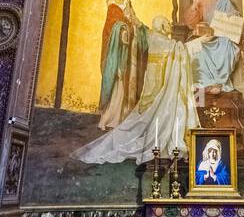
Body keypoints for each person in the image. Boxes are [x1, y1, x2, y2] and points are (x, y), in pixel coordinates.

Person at [76, 16, 197, 163]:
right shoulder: (163, 41)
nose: (169, 27)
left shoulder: (151, 37)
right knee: (158, 110)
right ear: (162, 27)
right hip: (158, 83)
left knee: (144, 113)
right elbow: (177, 48)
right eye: (167, 24)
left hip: (150, 81)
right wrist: (187, 46)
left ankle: (132, 133)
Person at [96, 0, 149, 130]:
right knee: (118, 81)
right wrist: (123, 30)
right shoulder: (116, 1)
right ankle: (111, 118)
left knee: (126, 82)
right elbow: (112, 24)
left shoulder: (128, 3)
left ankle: (122, 116)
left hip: (129, 50)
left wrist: (147, 32)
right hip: (119, 52)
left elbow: (136, 22)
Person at [184, 0, 240, 93]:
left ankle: (218, 83)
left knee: (226, 44)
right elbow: (190, 22)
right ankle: (203, 83)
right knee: (198, 48)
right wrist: (194, 6)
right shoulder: (200, 1)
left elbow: (235, 16)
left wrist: (231, 15)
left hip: (220, 35)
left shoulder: (224, 1)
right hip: (205, 36)